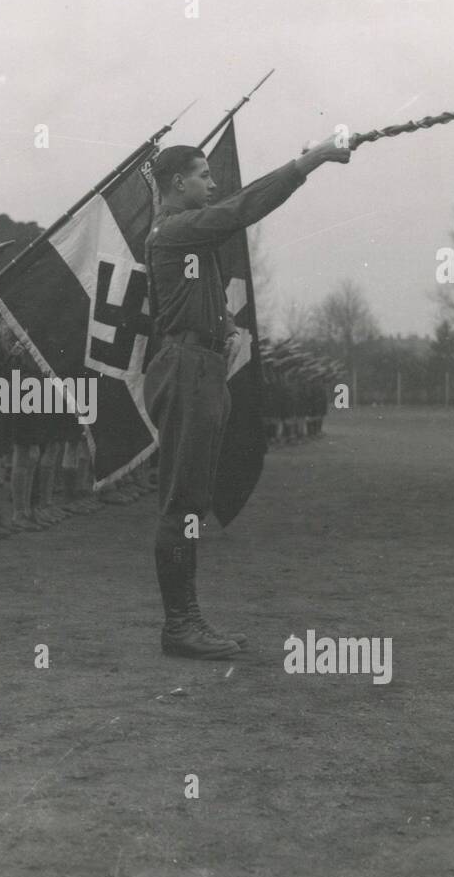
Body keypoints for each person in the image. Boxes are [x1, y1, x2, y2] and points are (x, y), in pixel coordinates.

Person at [143, 134, 349, 660]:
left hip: (201, 368)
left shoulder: (184, 237)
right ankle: (180, 626)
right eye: (203, 176)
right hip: (188, 370)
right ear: (176, 183)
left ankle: (186, 622)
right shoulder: (176, 230)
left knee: (192, 498)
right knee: (182, 501)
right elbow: (242, 207)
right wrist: (313, 159)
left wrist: (225, 324)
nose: (212, 185)